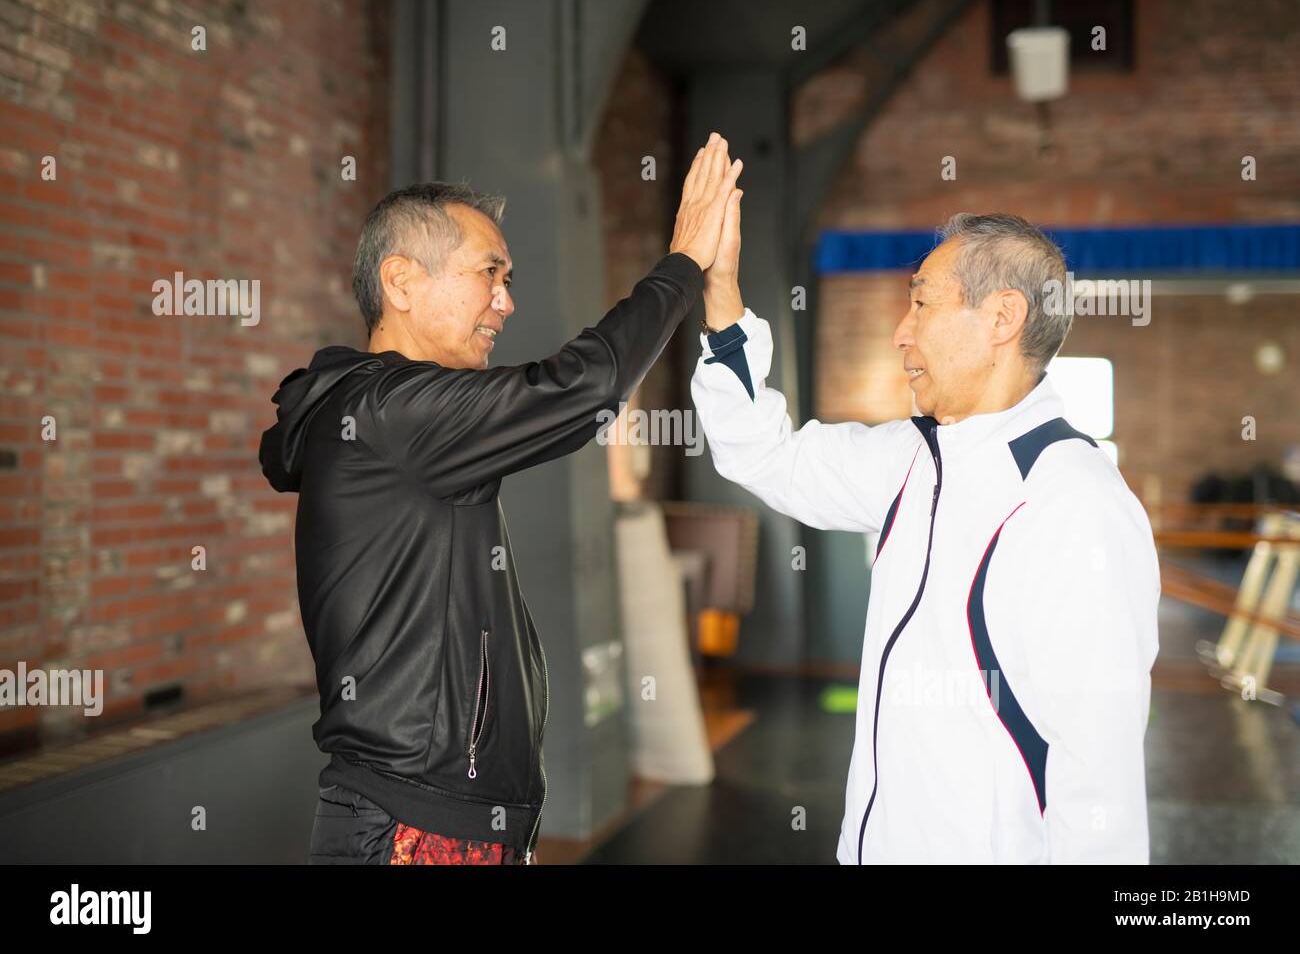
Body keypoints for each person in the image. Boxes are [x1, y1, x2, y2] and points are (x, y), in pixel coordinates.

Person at [259, 133, 743, 864]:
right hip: (415, 822)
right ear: (401, 282)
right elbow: (583, 387)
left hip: (442, 812)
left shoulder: (396, 414)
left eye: (507, 279)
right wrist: (681, 267)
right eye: (490, 273)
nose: (506, 301)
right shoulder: (393, 413)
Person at [692, 209, 1160, 863]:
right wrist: (721, 293)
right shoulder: (910, 459)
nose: (900, 333)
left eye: (921, 303)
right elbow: (765, 455)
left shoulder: (1076, 505)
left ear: (1002, 318)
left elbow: (1099, 797)